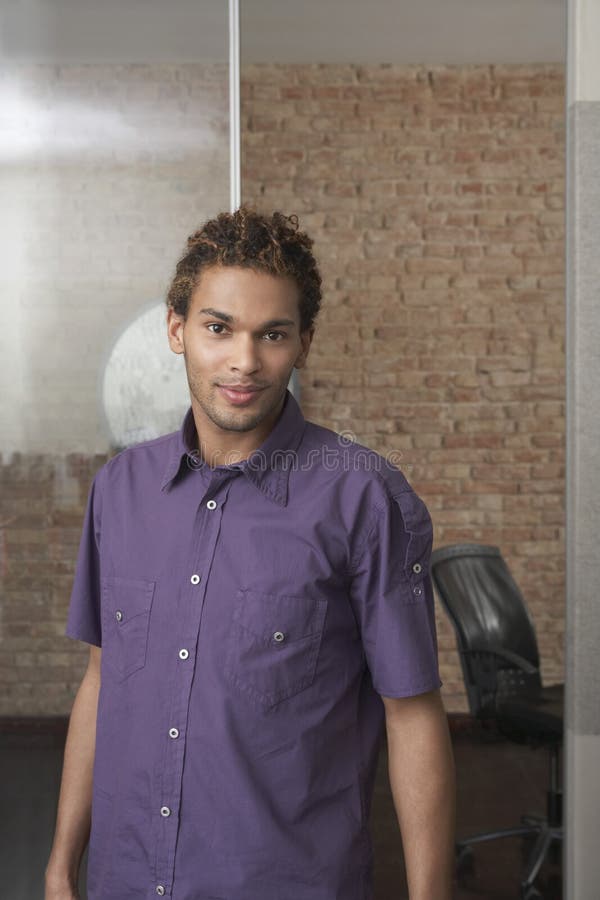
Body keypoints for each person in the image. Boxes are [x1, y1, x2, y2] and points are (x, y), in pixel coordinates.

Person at [45, 207, 456, 900]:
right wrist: (62, 867)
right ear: (176, 331)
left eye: (272, 334)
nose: (244, 361)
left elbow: (411, 715)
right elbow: (101, 680)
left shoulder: (363, 497)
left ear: (304, 342)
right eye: (219, 328)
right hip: (127, 878)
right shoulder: (119, 489)